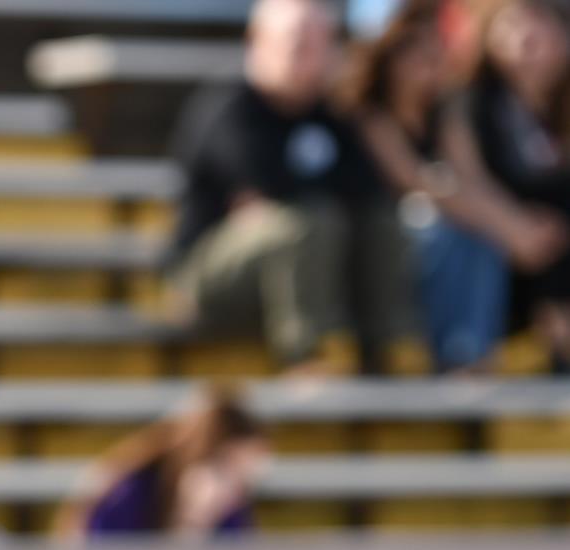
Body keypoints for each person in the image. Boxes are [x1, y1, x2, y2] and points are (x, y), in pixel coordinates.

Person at [168, 0, 428, 373]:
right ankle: (304, 356)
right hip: (206, 278)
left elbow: (368, 189)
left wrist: (278, 201)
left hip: (298, 265)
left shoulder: (333, 113)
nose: (300, 53)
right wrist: (296, 198)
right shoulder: (229, 107)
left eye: (315, 43)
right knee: (306, 223)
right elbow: (277, 184)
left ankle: (387, 351)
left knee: (378, 221)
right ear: (255, 40)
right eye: (292, 40)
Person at [346, 0, 526, 368]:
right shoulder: (370, 115)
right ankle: (453, 357)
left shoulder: (447, 112)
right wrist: (512, 228)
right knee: (452, 231)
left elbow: (472, 180)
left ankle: (472, 359)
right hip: (380, 255)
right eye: (412, 48)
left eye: (434, 47)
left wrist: (516, 225)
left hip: (438, 246)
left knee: (481, 240)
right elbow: (419, 185)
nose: (426, 60)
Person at [445, 0, 570, 367]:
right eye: (512, 26)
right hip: (501, 248)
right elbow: (463, 179)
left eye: (538, 26)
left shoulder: (559, 103)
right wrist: (514, 226)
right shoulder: (469, 100)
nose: (525, 39)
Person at [56, 385, 271, 541]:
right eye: (228, 466)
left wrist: (199, 521)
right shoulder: (130, 491)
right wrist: (188, 520)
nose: (234, 485)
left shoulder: (230, 510)